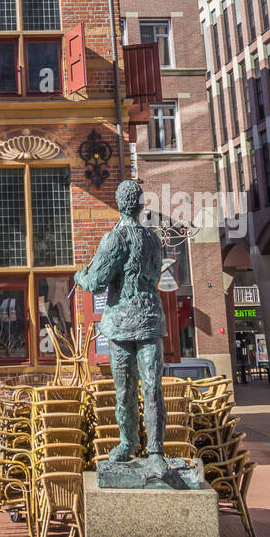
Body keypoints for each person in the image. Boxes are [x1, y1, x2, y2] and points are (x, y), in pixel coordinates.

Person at [74, 179, 169, 477]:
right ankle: (154, 452)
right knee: (152, 389)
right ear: (141, 205)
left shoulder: (113, 240)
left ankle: (128, 443)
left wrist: (80, 276)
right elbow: (154, 276)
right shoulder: (154, 239)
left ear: (119, 204)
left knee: (125, 391)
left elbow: (96, 283)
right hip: (150, 318)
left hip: (122, 324)